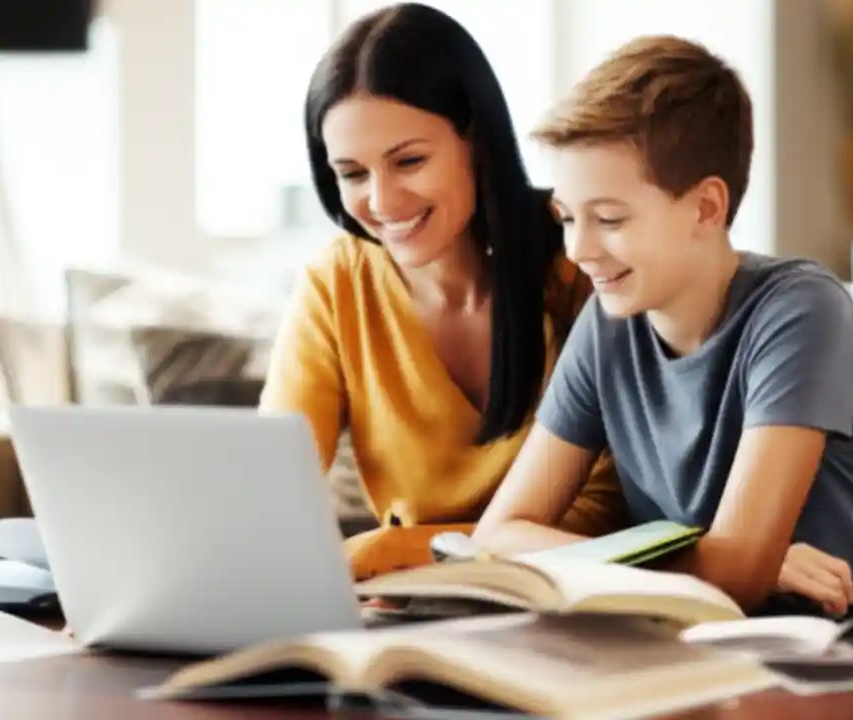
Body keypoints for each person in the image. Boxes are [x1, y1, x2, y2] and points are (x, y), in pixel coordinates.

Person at [472, 35, 853, 618]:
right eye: (567, 218)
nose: (578, 250)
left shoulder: (801, 310)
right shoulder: (609, 324)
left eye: (608, 218)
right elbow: (498, 537)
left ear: (706, 207)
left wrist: (736, 564)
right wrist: (720, 560)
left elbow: (734, 580)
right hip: (717, 646)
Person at [259, 2, 625, 579]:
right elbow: (269, 492)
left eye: (408, 161)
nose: (381, 202)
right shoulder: (337, 286)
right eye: (352, 173)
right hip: (414, 607)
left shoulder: (582, 261)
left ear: (476, 141)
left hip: (576, 601)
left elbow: (602, 522)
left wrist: (396, 549)